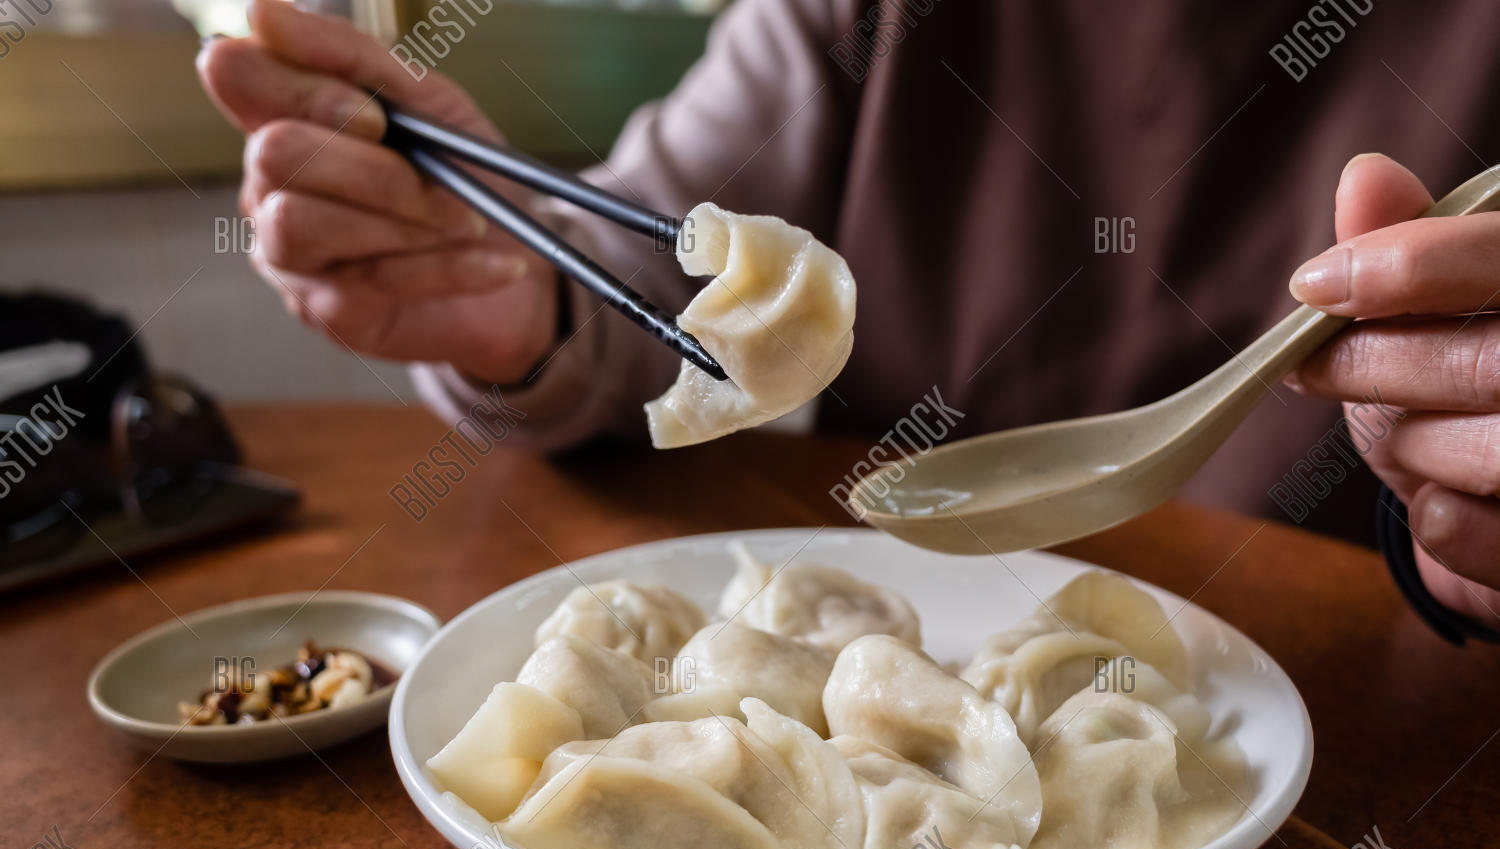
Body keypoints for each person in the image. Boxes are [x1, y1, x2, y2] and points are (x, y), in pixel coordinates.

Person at [198, 0, 1500, 639]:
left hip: (1366, 711)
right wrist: (521, 302)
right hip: (899, 644)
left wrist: (1463, 522)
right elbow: (641, 263)